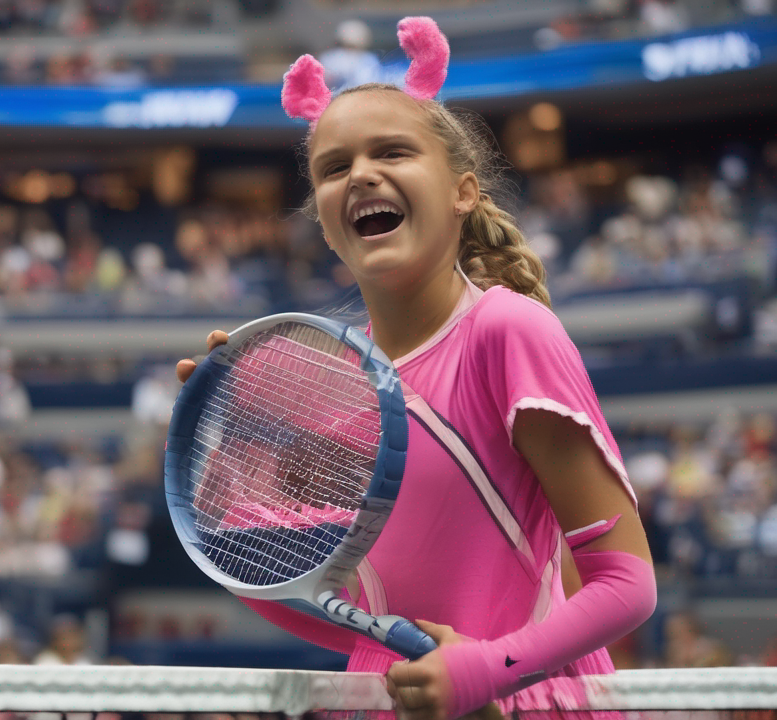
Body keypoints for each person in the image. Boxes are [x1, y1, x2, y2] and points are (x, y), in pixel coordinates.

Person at [175, 17, 655, 720]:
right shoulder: (341, 385)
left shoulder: (506, 329)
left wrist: (487, 671)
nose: (362, 174)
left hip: (519, 701)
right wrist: (221, 454)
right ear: (326, 222)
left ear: (463, 192)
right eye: (334, 168)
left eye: (392, 152)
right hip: (384, 702)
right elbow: (344, 606)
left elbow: (627, 585)